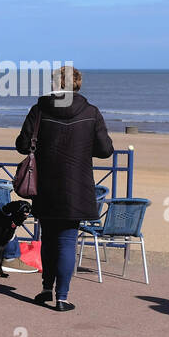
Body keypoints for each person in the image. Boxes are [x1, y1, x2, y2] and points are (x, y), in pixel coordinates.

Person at [16, 66, 113, 312]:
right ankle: (62, 297)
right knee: (68, 241)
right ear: (77, 85)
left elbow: (22, 144)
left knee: (48, 239)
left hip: (45, 185)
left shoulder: (39, 110)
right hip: (77, 186)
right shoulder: (91, 112)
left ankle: (46, 288)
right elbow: (105, 150)